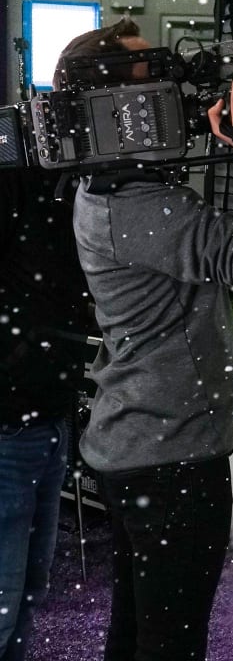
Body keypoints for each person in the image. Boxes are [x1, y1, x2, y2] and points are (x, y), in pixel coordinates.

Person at [64, 18, 233, 660]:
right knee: (171, 642)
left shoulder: (117, 188)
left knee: (141, 629)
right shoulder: (137, 204)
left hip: (144, 447)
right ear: (114, 101)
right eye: (156, 74)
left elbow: (232, 254)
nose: (178, 85)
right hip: (168, 457)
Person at [0, 163, 97, 661]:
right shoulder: (15, 183)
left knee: (22, 607)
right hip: (11, 432)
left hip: (48, 425)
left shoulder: (72, 189)